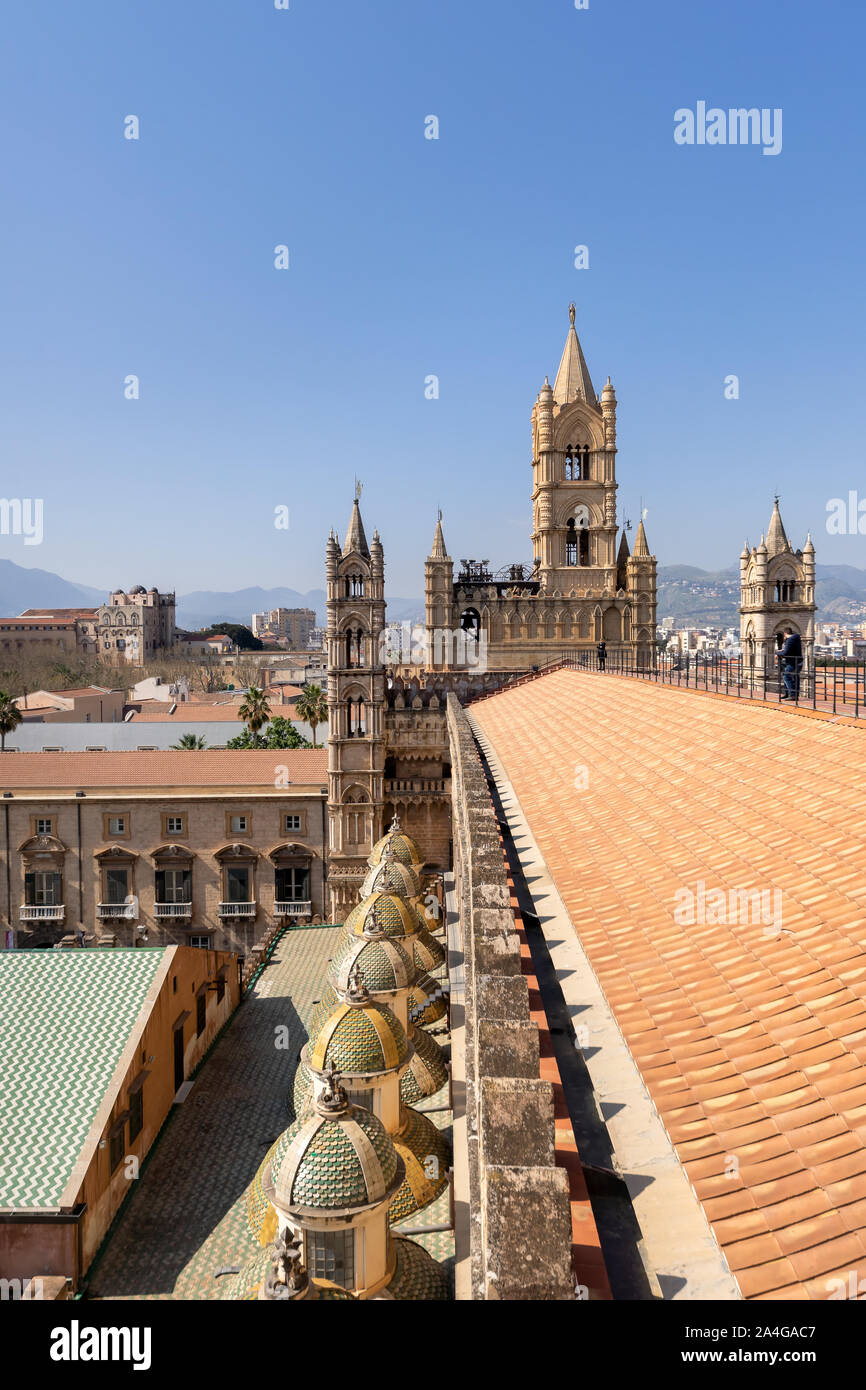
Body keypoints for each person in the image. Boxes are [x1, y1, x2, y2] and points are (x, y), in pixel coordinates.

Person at [777, 628, 803, 700]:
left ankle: (792, 695)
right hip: (797, 661)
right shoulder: (796, 638)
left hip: (793, 662)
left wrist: (777, 652)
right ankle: (789, 694)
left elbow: (786, 653)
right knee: (794, 677)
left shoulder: (790, 640)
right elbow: (790, 650)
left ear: (785, 633)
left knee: (786, 676)